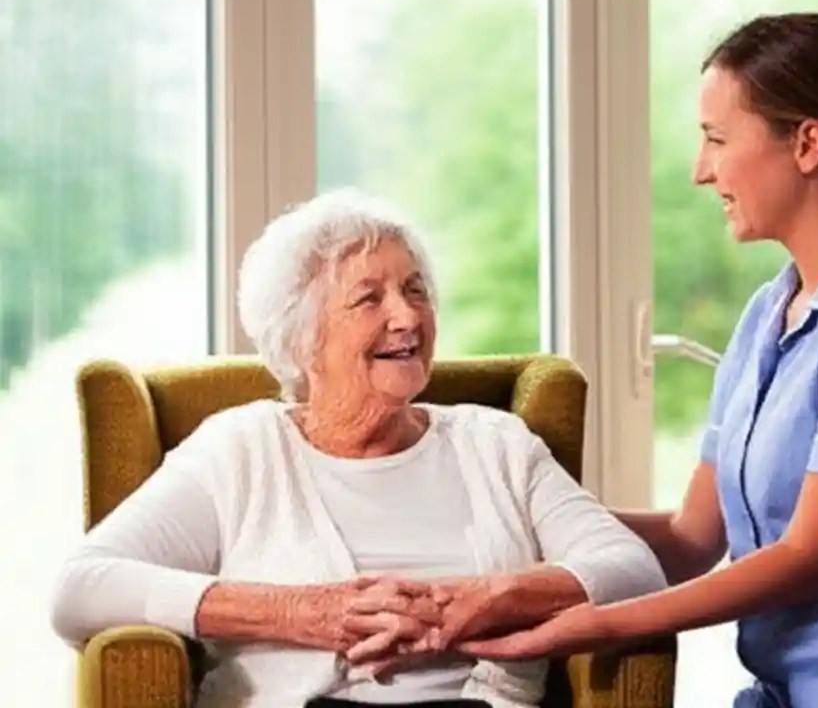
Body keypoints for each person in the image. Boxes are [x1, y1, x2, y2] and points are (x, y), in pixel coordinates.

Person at [457, 13, 818, 708]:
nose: (702, 170)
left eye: (716, 139)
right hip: (791, 689)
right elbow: (691, 537)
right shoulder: (769, 313)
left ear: (807, 143)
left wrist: (598, 623)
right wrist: (511, 536)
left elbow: (804, 557)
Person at [49, 189, 667, 708]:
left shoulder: (495, 442)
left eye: (416, 290)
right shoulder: (242, 450)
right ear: (302, 340)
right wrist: (301, 612)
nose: (406, 317)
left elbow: (631, 569)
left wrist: (478, 601)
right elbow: (81, 587)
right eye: (370, 298)